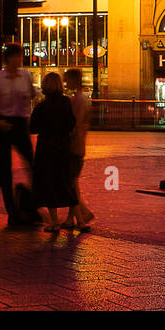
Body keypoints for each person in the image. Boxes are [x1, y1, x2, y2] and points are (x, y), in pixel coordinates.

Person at [0, 44, 39, 227]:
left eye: (20, 58)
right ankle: (12, 214)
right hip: (4, 124)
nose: (19, 61)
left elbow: (33, 96)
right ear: (8, 60)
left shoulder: (26, 76)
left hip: (21, 124)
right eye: (16, 58)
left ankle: (32, 207)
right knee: (4, 172)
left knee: (32, 166)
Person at [30, 71, 79, 232]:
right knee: (66, 181)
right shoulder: (67, 103)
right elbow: (72, 123)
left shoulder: (41, 107)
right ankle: (71, 217)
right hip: (63, 145)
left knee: (48, 183)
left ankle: (54, 221)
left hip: (46, 146)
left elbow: (33, 128)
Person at [64, 68, 96, 229]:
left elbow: (75, 122)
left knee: (71, 182)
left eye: (67, 79)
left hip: (74, 144)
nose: (66, 83)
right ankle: (71, 218)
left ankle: (82, 215)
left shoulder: (78, 99)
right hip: (78, 143)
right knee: (72, 181)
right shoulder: (79, 98)